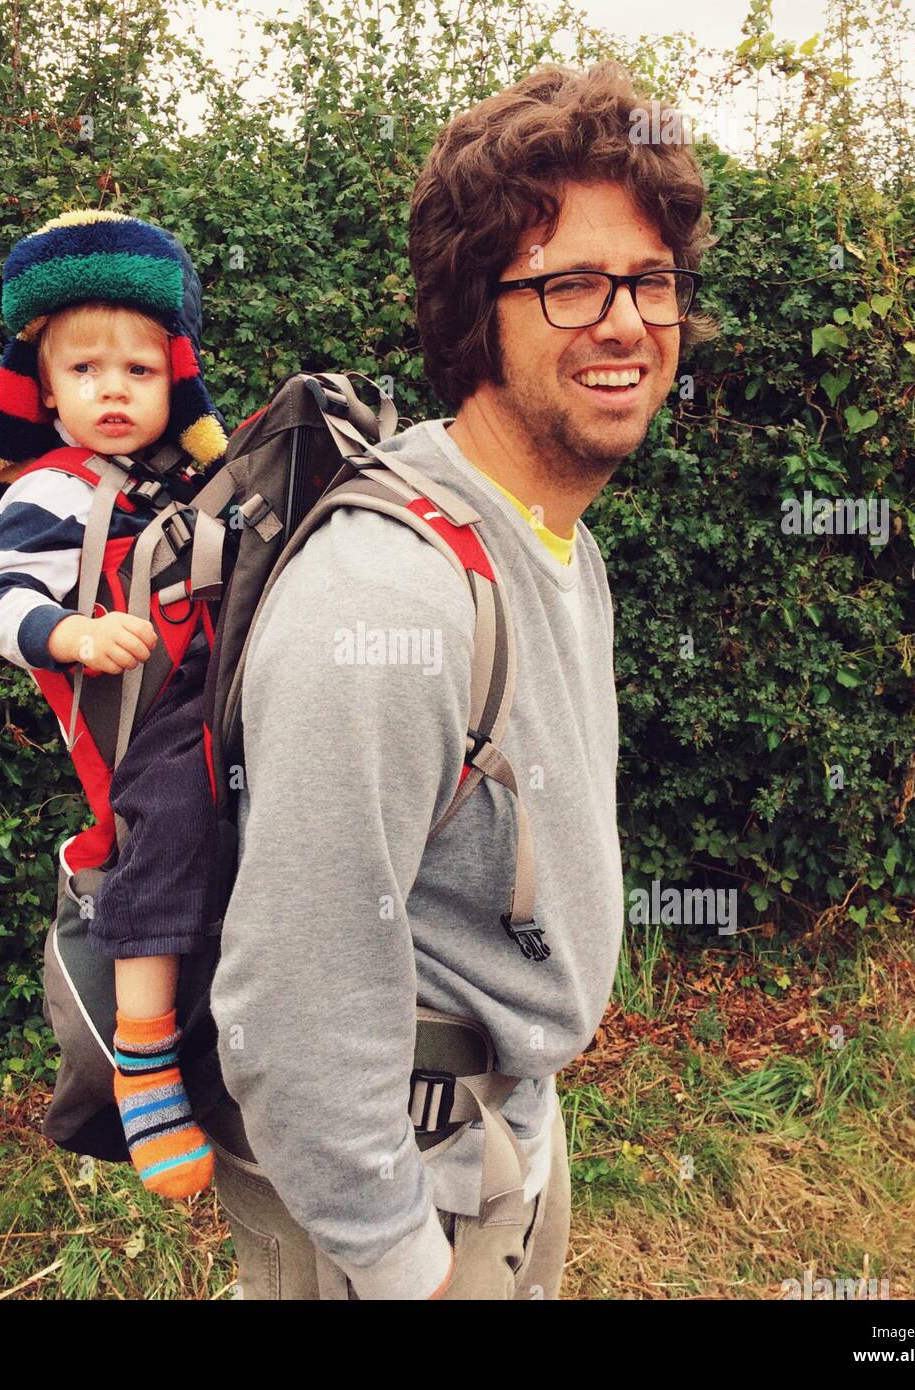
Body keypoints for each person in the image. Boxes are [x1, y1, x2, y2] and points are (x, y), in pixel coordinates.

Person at [207, 60, 718, 1299]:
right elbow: (290, 1009)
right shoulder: (386, 600)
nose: (626, 321)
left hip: (502, 1135)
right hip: (395, 1204)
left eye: (649, 279)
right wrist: (404, 1267)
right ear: (474, 310)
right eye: (569, 283)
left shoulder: (552, 537)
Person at [0, 210, 230, 1200]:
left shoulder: (187, 484)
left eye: (139, 372)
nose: (113, 389)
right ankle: (142, 1060)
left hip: (217, 706)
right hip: (139, 727)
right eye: (86, 371)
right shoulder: (53, 490)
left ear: (174, 381)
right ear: (43, 387)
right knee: (171, 820)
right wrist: (74, 634)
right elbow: (1, 600)